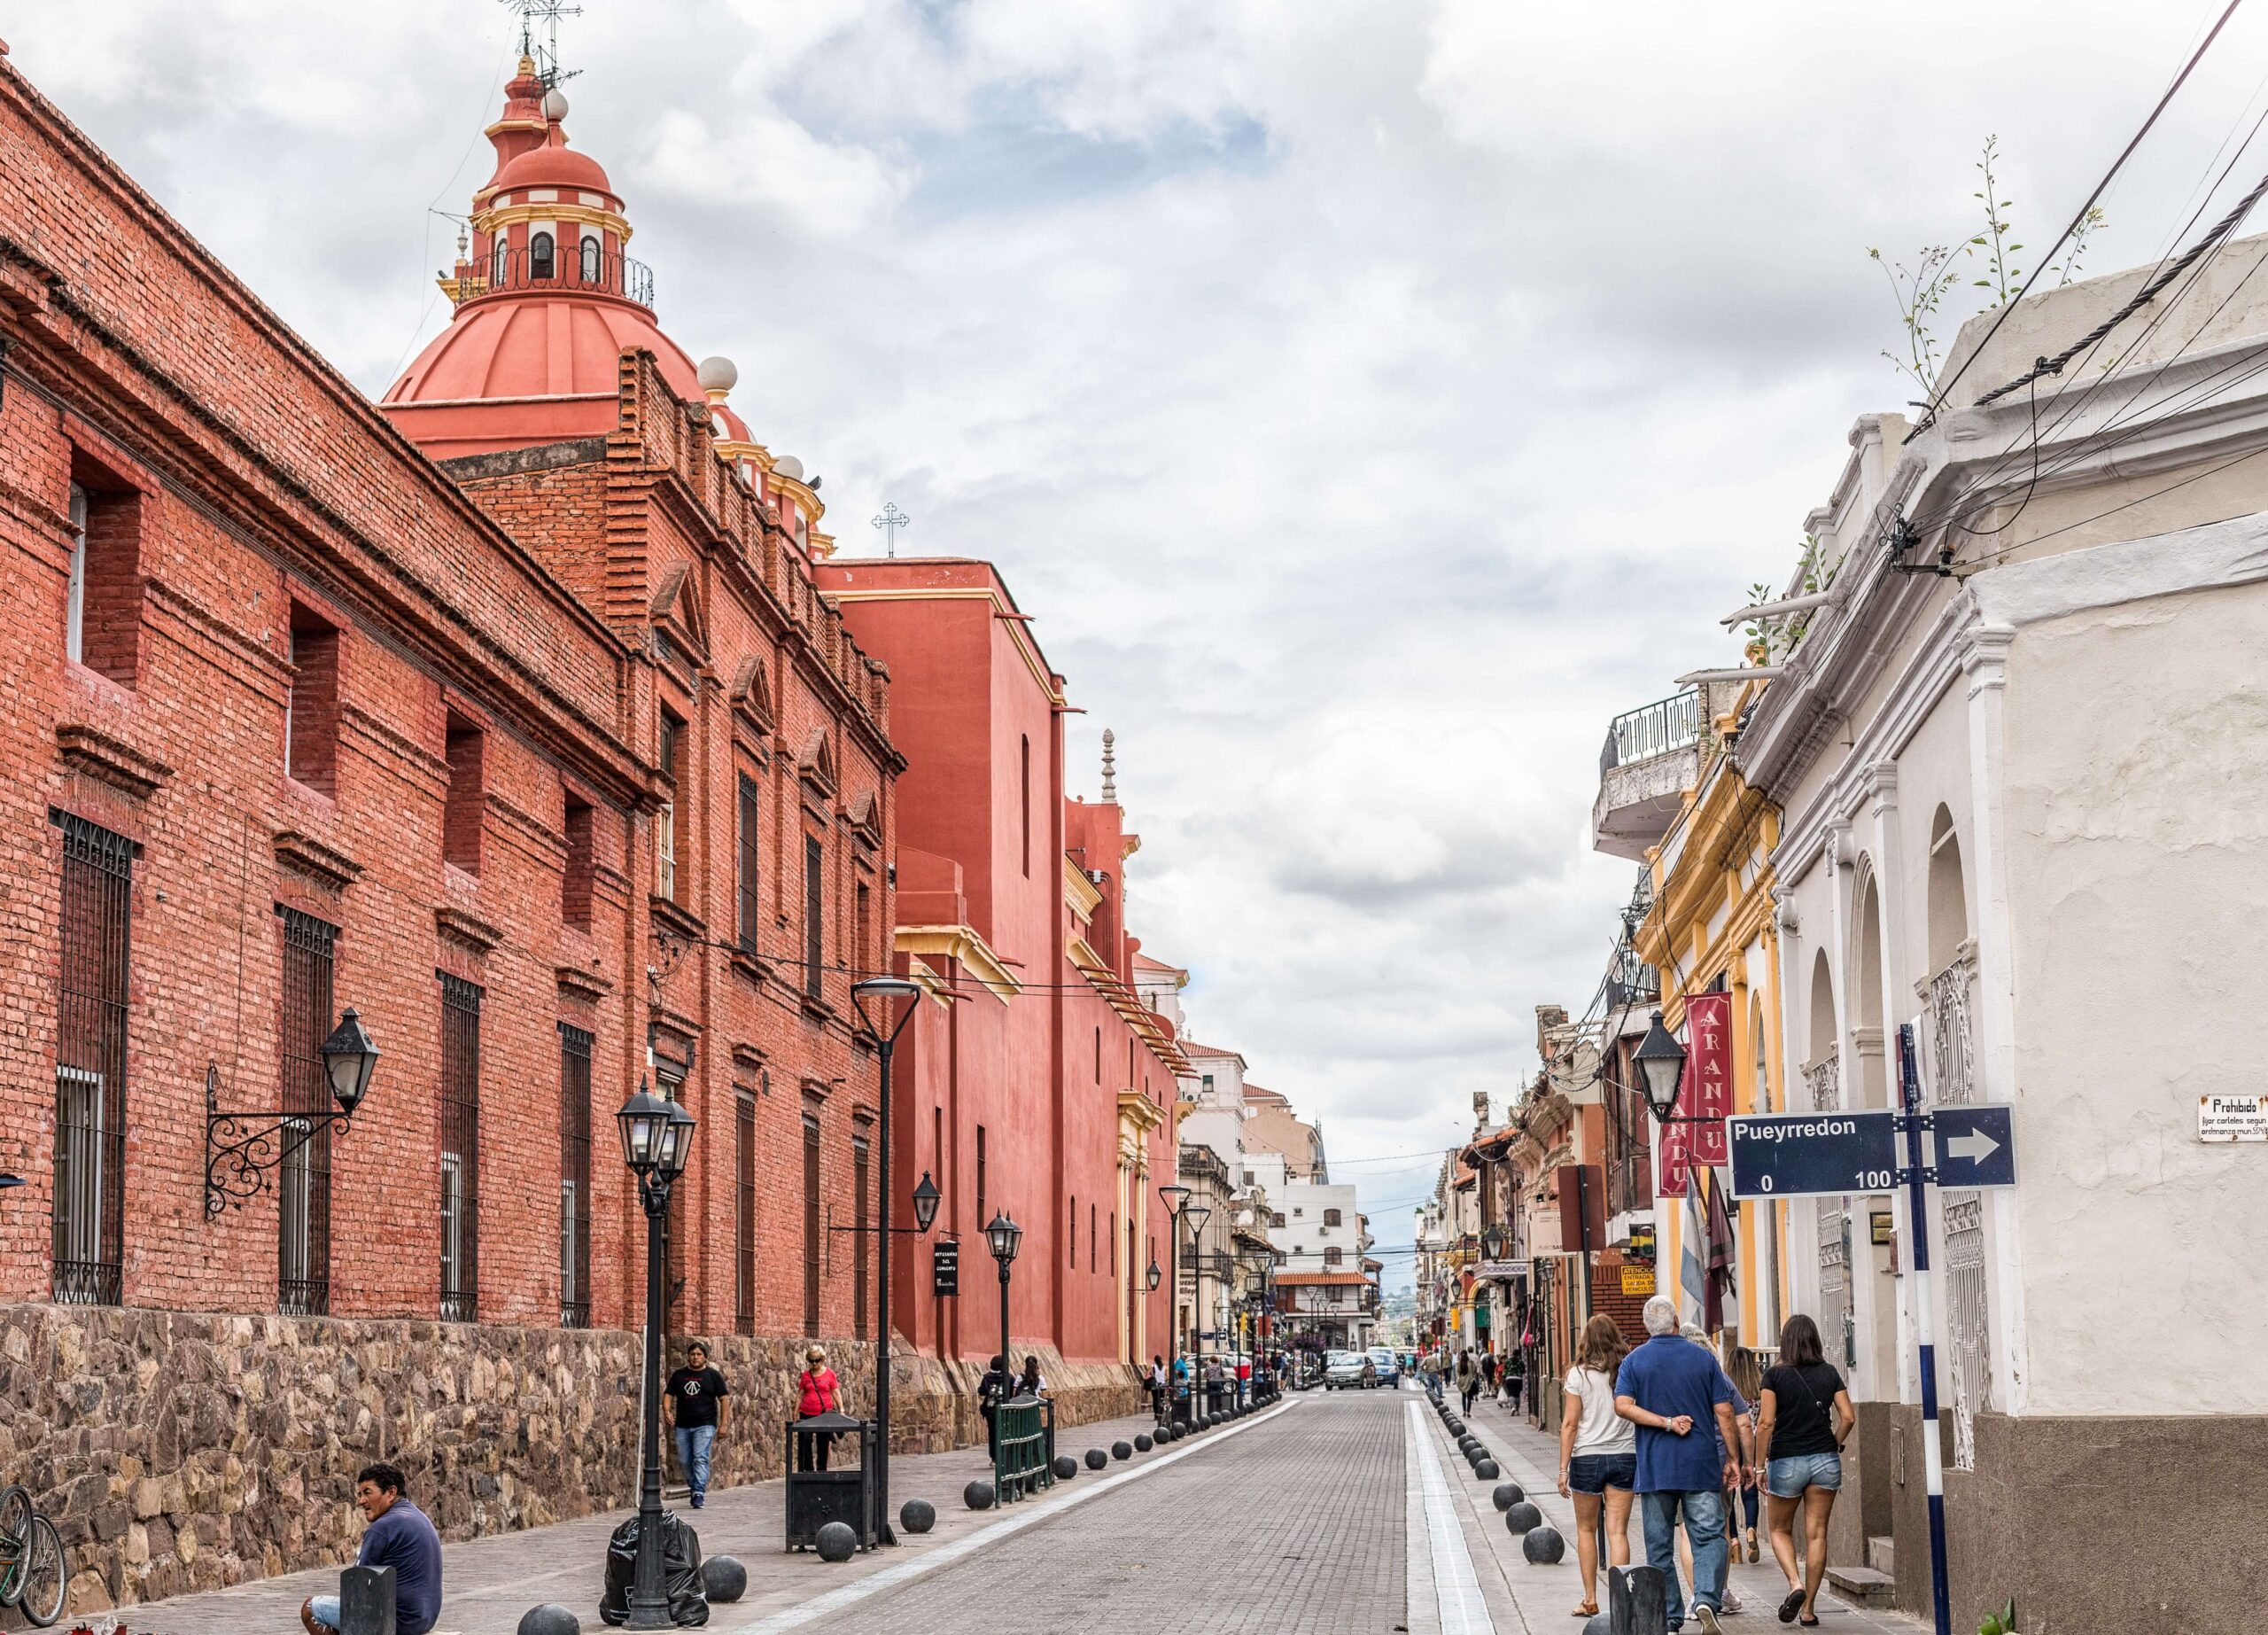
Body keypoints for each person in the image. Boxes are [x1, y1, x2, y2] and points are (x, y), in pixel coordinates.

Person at [1614, 1296, 1738, 1635]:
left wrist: (1663, 1422)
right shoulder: (1703, 1358)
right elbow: (1725, 1412)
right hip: (1700, 1467)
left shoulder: (1633, 1362)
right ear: (1676, 1321)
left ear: (1646, 1326)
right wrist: (1733, 1459)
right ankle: (1706, 1601)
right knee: (1710, 1538)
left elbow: (1622, 1406)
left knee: (1658, 1548)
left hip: (1655, 1470)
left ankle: (1670, 1617)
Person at [1757, 1314, 1854, 1629]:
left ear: (1786, 1341)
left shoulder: (1773, 1376)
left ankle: (1795, 1584)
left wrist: (1759, 1465)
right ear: (1815, 1339)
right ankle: (1809, 1609)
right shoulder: (1829, 1373)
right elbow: (1848, 1417)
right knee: (1817, 1534)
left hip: (1787, 1460)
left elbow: (1766, 1423)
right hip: (1825, 1460)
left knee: (1779, 1530)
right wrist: (1834, 1445)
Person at [299, 1463, 443, 1635]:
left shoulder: (384, 1527)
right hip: (423, 1619)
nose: (361, 1501)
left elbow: (354, 1586)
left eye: (367, 1492)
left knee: (310, 1608)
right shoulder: (418, 1517)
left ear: (391, 1492)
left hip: (398, 1621)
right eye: (359, 1494)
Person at [1557, 1315, 1637, 1622]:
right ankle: (1621, 1604)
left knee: (1586, 1529)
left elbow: (1570, 1423)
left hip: (1587, 1458)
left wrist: (1563, 1468)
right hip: (1624, 1456)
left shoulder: (1577, 1375)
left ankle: (1590, 1599)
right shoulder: (1627, 1370)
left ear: (1586, 1340)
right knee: (1618, 1531)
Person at [664, 1340, 730, 1508]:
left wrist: (723, 1424)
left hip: (705, 1425)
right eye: (692, 1354)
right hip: (682, 1425)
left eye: (699, 1354)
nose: (695, 1357)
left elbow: (724, 1399)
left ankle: (699, 1492)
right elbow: (668, 1394)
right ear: (688, 1356)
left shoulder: (713, 1376)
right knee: (685, 1460)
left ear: (705, 1357)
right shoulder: (679, 1375)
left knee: (700, 1457)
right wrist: (666, 1411)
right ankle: (694, 1487)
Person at [794, 1344, 838, 1472]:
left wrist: (841, 1410)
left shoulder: (830, 1374)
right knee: (805, 1440)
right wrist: (795, 1412)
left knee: (823, 1442)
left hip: (823, 1413)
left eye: (817, 1361)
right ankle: (807, 1470)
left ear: (822, 1359)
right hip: (807, 1413)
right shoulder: (806, 1376)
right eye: (811, 1361)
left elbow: (835, 1392)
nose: (814, 1364)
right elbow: (800, 1394)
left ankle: (821, 1470)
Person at [977, 1353, 1012, 1460]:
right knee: (1005, 1432)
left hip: (990, 1409)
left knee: (992, 1432)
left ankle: (994, 1456)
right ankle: (1004, 1455)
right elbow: (1012, 1392)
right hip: (1005, 1409)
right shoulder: (1009, 1377)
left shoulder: (987, 1377)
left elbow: (982, 1391)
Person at [1456, 1348, 1480, 1413]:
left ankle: (1464, 1411)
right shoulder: (1471, 1363)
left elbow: (1457, 1372)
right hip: (1470, 1382)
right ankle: (1468, 1412)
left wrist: (1458, 1379)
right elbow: (1475, 1370)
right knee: (1469, 1397)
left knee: (1463, 1397)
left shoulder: (1458, 1363)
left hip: (1462, 1382)